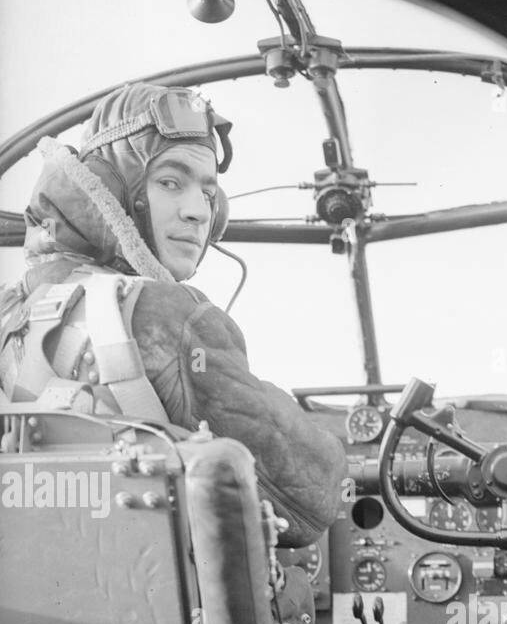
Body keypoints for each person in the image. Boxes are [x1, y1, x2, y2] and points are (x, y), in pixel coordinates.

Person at [0, 82, 345, 547]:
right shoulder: (167, 315)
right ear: (111, 190)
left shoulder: (13, 311)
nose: (198, 213)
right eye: (170, 182)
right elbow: (314, 497)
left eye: (208, 193)